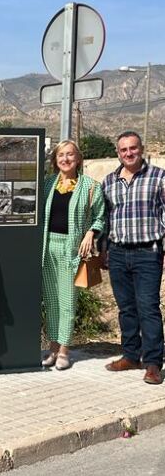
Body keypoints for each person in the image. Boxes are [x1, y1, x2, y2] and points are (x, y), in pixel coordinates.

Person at [102, 131, 165, 384]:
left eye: (133, 148)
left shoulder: (159, 177)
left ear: (141, 149)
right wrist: (104, 250)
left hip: (148, 253)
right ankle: (130, 355)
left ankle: (153, 363)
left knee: (148, 307)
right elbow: (106, 218)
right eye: (124, 149)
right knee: (126, 308)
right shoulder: (109, 182)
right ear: (118, 153)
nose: (129, 153)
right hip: (118, 253)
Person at [41, 140, 105, 371]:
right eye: (61, 155)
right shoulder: (48, 184)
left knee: (67, 301)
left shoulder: (90, 186)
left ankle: (64, 350)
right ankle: (53, 348)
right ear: (55, 159)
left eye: (70, 155)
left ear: (78, 159)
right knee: (51, 301)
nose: (65, 159)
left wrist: (90, 233)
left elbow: (100, 217)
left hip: (73, 250)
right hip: (48, 248)